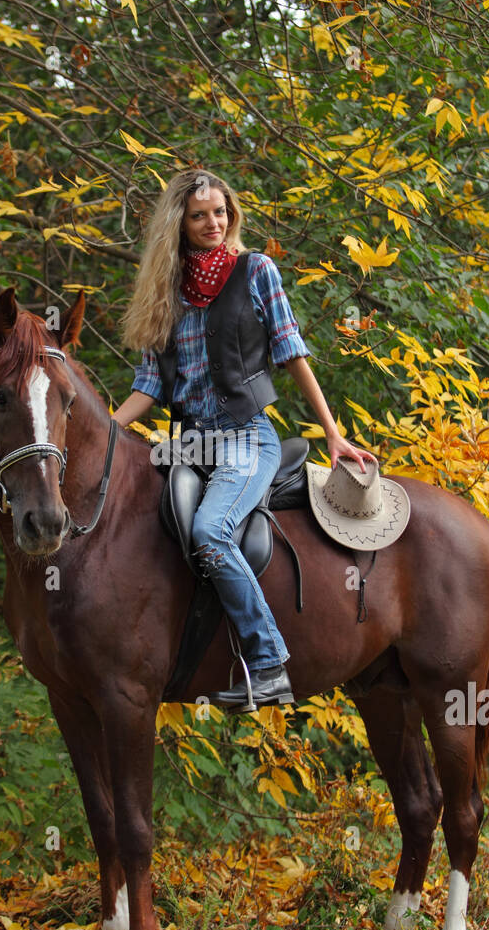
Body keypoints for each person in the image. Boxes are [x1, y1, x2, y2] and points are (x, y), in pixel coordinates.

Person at [113, 168, 372, 709]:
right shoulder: (164, 293)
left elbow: (291, 350)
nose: (214, 222)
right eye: (200, 214)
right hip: (187, 444)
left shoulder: (255, 271)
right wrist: (104, 432)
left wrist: (333, 433)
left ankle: (269, 663)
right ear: (178, 224)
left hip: (246, 438)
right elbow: (149, 386)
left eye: (221, 212)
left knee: (210, 530)